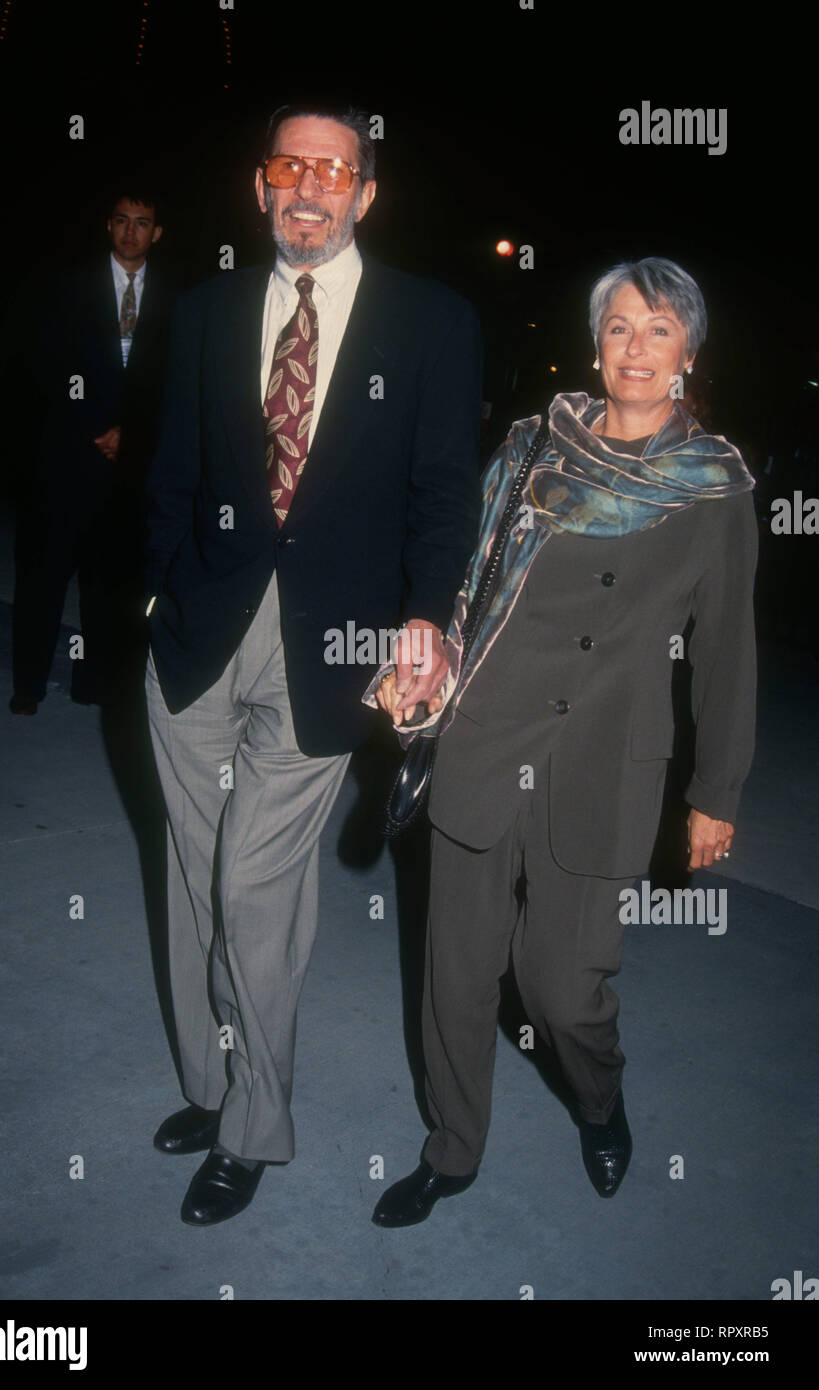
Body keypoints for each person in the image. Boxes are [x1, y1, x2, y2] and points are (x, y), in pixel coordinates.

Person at [144, 103, 482, 1225]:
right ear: (259, 184)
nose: (308, 186)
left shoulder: (430, 321)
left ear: (365, 195)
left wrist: (422, 624)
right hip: (195, 633)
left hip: (327, 648)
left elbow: (444, 495)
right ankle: (209, 1080)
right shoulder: (201, 312)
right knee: (192, 880)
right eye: (288, 165)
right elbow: (170, 474)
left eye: (332, 170)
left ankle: (253, 1125)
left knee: (254, 888)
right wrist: (150, 595)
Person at [367, 257, 758, 1225]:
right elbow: (464, 586)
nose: (634, 347)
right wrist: (422, 667)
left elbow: (726, 655)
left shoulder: (713, 490)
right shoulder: (530, 449)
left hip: (601, 761)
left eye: (657, 330)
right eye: (618, 327)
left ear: (686, 354)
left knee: (561, 988)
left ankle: (598, 1099)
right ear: (596, 344)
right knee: (454, 975)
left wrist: (716, 791)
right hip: (487, 739)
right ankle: (450, 1149)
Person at [9, 191, 174, 713]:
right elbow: (44, 366)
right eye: (122, 221)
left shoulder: (177, 297)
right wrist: (95, 427)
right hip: (65, 458)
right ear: (108, 226)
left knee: (110, 586)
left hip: (130, 470)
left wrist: (134, 433)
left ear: (157, 233)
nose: (131, 231)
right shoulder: (69, 287)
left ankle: (91, 684)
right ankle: (28, 687)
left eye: (142, 223)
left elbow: (175, 380)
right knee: (44, 578)